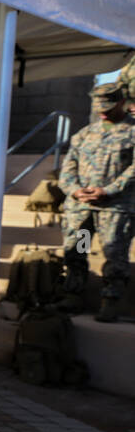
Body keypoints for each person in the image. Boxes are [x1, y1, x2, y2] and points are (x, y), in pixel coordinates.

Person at [59, 82, 134, 322]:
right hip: (82, 209)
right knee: (78, 250)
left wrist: (109, 190)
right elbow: (68, 169)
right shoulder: (84, 134)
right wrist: (75, 191)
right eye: (99, 106)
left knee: (114, 253)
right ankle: (74, 294)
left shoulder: (132, 132)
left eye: (108, 106)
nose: (102, 111)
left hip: (114, 207)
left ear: (122, 102)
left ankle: (111, 300)